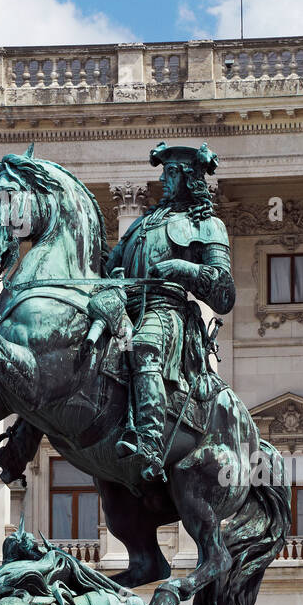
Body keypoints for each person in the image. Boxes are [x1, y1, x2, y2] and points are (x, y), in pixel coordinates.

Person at [103, 142, 234, 482]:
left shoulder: (207, 226)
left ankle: (149, 442)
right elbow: (110, 265)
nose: (164, 179)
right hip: (126, 307)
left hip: (167, 311)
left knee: (143, 346)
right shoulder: (140, 226)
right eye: (164, 172)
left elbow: (223, 292)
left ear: (191, 178)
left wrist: (183, 268)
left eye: (172, 172)